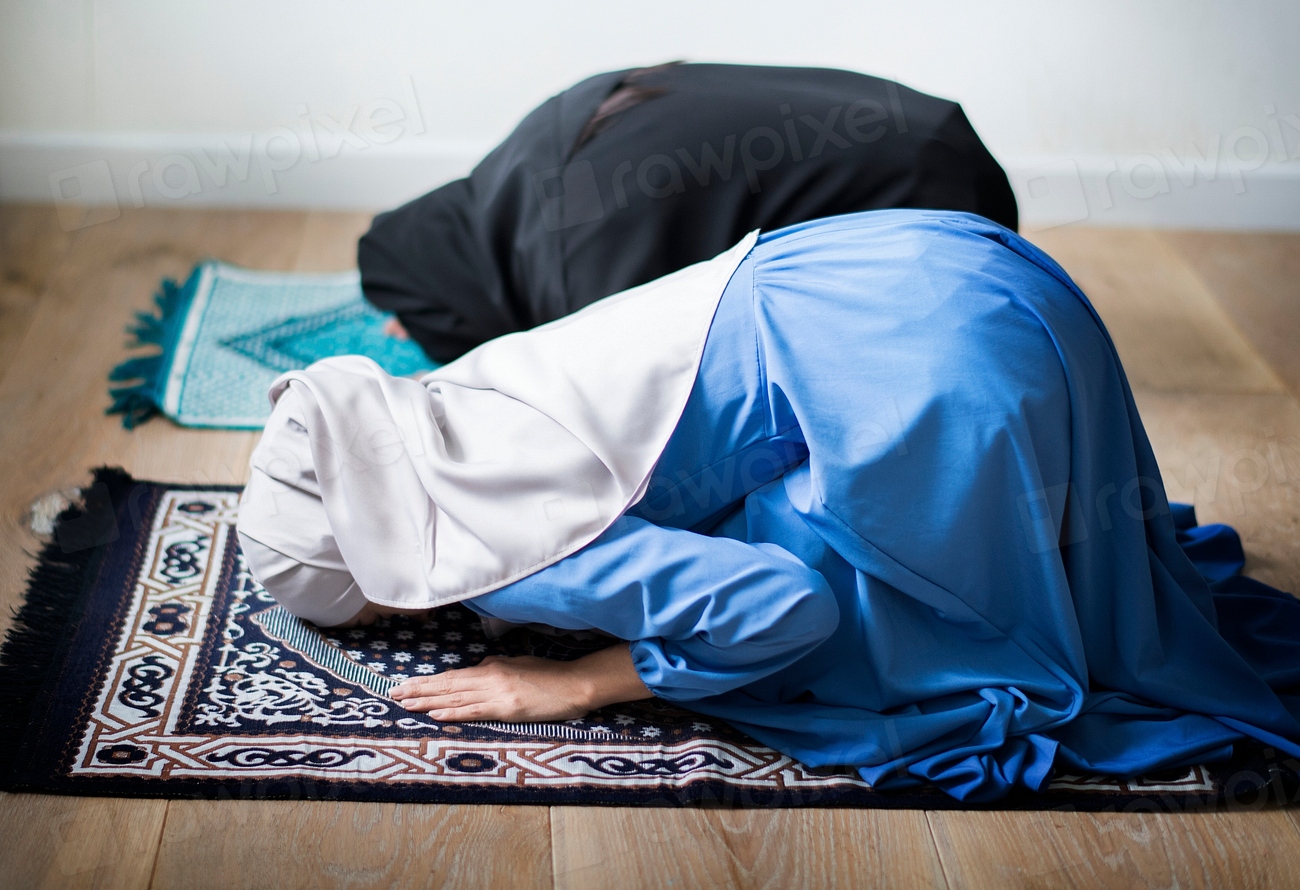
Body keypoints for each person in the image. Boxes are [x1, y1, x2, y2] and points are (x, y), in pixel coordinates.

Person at [239, 210, 1300, 802]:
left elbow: (785, 605)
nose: (407, 620)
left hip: (929, 363)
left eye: (381, 612)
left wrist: (575, 681)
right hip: (914, 258)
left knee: (883, 641)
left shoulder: (503, 542)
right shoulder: (443, 398)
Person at [359, 63, 1017, 363]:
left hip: (943, 210)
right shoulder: (541, 140)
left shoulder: (575, 267)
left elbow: (643, 425)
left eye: (411, 318)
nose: (397, 331)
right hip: (929, 128)